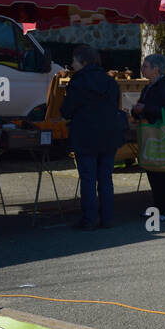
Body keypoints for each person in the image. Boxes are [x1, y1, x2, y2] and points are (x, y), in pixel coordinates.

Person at [61, 45, 126, 230]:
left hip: (85, 136)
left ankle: (89, 219)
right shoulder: (110, 81)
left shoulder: (77, 82)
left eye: (73, 61)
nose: (72, 65)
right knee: (105, 178)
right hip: (109, 135)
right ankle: (107, 218)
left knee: (88, 179)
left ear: (83, 61)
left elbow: (66, 110)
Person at [131, 53, 165, 222]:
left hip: (164, 135)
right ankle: (158, 207)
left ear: (156, 69)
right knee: (153, 170)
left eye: (145, 66)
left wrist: (145, 109)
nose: (142, 69)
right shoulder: (148, 87)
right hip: (152, 135)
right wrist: (137, 110)